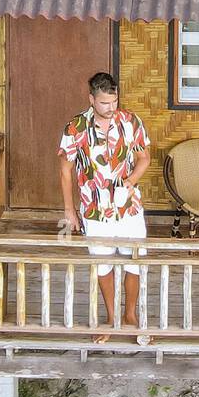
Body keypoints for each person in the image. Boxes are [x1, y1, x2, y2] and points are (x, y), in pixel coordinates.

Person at [58, 71, 150, 343]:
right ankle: (111, 318)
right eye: (104, 103)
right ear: (91, 99)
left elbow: (144, 157)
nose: (111, 108)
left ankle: (131, 315)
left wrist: (131, 181)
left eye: (114, 102)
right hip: (95, 209)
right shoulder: (75, 127)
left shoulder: (131, 121)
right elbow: (65, 171)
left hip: (129, 207)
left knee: (135, 262)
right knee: (103, 264)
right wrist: (69, 210)